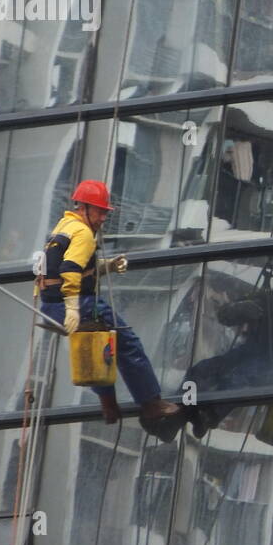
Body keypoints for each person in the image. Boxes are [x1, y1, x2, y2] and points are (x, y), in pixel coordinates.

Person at [38, 180, 182, 438]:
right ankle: (151, 404)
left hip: (51, 306)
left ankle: (108, 405)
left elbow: (74, 268)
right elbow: (70, 270)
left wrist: (109, 266)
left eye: (105, 212)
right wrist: (73, 309)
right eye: (100, 211)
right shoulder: (82, 233)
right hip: (77, 304)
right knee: (128, 343)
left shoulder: (65, 226)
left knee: (99, 348)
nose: (104, 217)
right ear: (83, 207)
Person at [171, 252, 273, 440]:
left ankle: (209, 416)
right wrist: (240, 308)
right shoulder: (264, 298)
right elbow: (225, 316)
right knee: (201, 370)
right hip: (250, 353)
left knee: (236, 379)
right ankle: (177, 409)